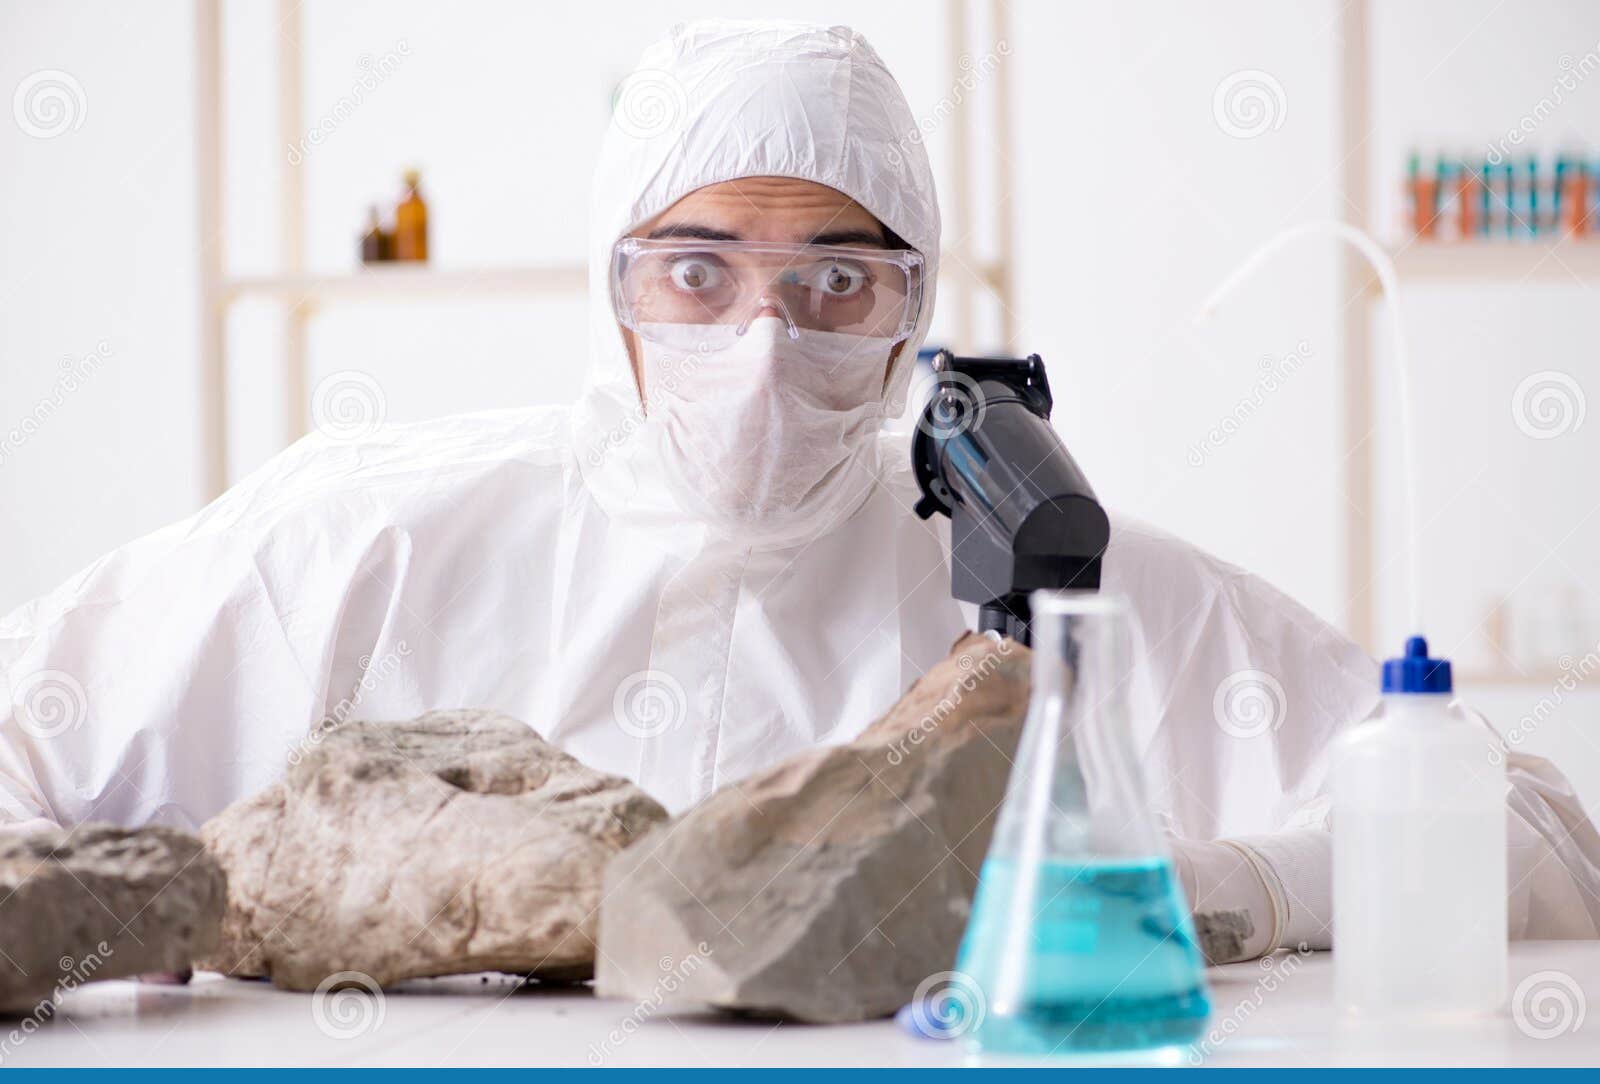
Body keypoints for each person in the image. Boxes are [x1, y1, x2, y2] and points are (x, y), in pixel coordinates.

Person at [2, 20, 1597, 961]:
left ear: (917, 305)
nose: (763, 343)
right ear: (611, 287)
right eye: (695, 273)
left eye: (836, 283)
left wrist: (1213, 889)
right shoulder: (370, 541)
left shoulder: (1055, 592)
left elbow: (1538, 832)